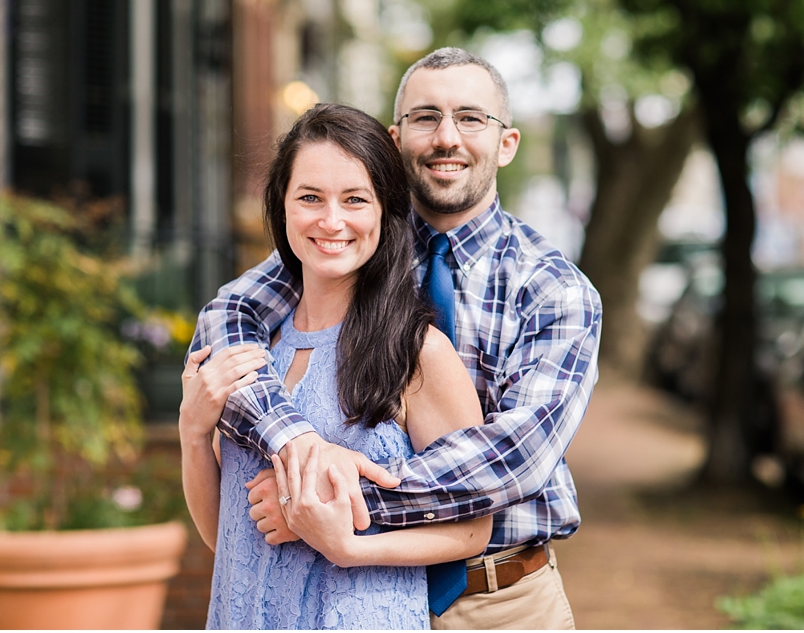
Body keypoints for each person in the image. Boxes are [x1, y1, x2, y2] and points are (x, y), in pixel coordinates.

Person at [189, 47, 602, 629]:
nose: (446, 138)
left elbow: (514, 460)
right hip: (341, 590)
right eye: (425, 117)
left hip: (498, 597)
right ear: (395, 137)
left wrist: (327, 503)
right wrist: (290, 441)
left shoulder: (553, 289)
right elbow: (224, 322)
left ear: (506, 143)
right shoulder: (353, 243)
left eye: (471, 118)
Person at [179, 103, 492, 629]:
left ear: (385, 212)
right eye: (309, 198)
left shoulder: (418, 352)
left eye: (354, 200)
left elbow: (472, 529)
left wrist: (347, 546)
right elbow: (226, 533)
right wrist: (192, 432)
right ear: (281, 208)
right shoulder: (254, 349)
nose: (331, 221)